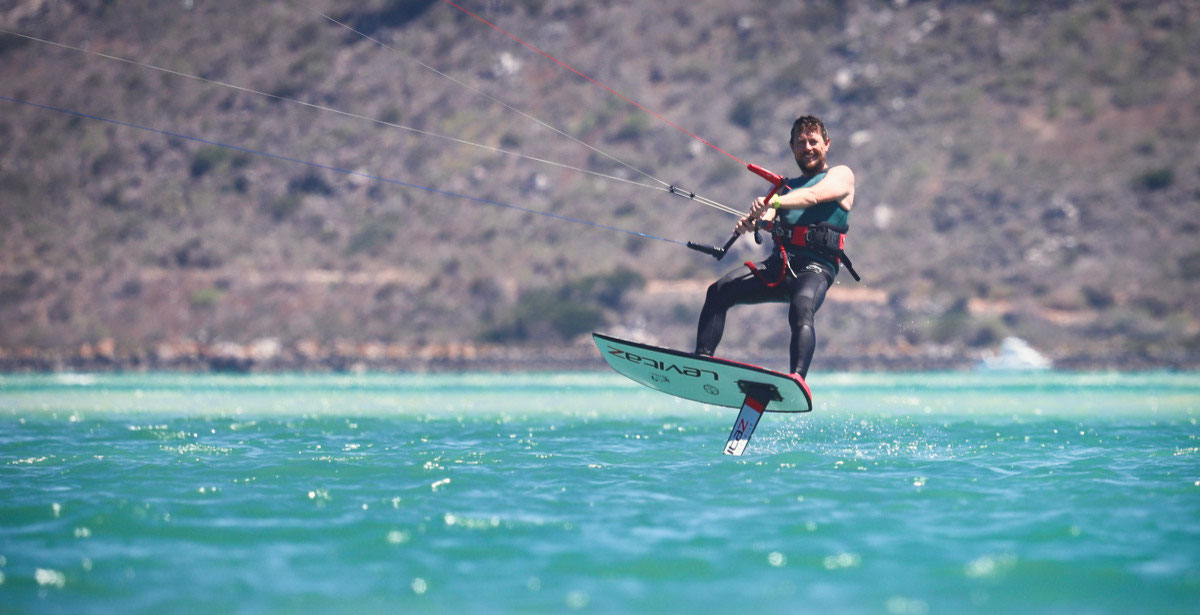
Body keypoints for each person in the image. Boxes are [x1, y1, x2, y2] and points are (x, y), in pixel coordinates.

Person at [694, 115, 857, 378]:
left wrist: (774, 203)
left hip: (815, 270)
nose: (808, 148)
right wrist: (755, 220)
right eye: (800, 142)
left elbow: (813, 196)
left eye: (813, 141)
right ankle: (700, 363)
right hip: (778, 267)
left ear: (826, 144)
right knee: (719, 290)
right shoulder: (782, 188)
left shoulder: (841, 175)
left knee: (801, 309)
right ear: (792, 147)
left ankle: (796, 379)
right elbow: (768, 218)